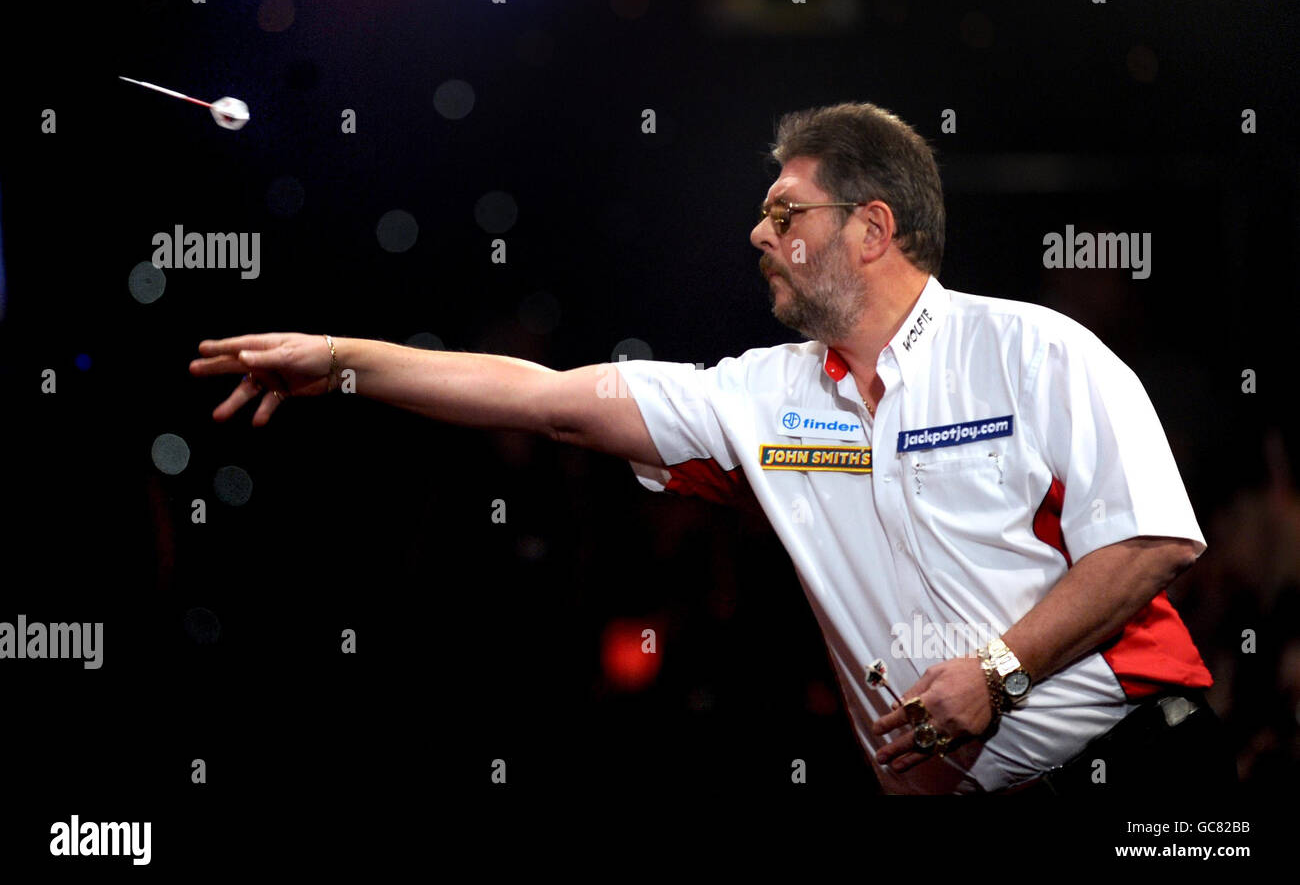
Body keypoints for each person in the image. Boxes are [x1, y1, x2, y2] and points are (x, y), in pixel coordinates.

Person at [189, 102, 1235, 795]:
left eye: (785, 212)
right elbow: (545, 397)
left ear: (871, 229)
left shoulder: (1034, 349)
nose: (756, 234)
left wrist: (997, 672)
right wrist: (342, 360)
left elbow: (1151, 545)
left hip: (1136, 767)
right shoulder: (761, 398)